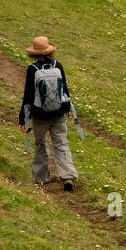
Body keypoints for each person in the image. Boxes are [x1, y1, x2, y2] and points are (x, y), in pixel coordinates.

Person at [18, 35, 79, 191]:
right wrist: (66, 108)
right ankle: (68, 177)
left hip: (39, 115)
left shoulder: (33, 70)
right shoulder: (58, 65)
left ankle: (42, 178)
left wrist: (23, 118)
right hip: (59, 112)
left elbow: (28, 95)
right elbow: (64, 88)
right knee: (61, 143)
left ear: (33, 53)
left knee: (40, 144)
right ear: (50, 51)